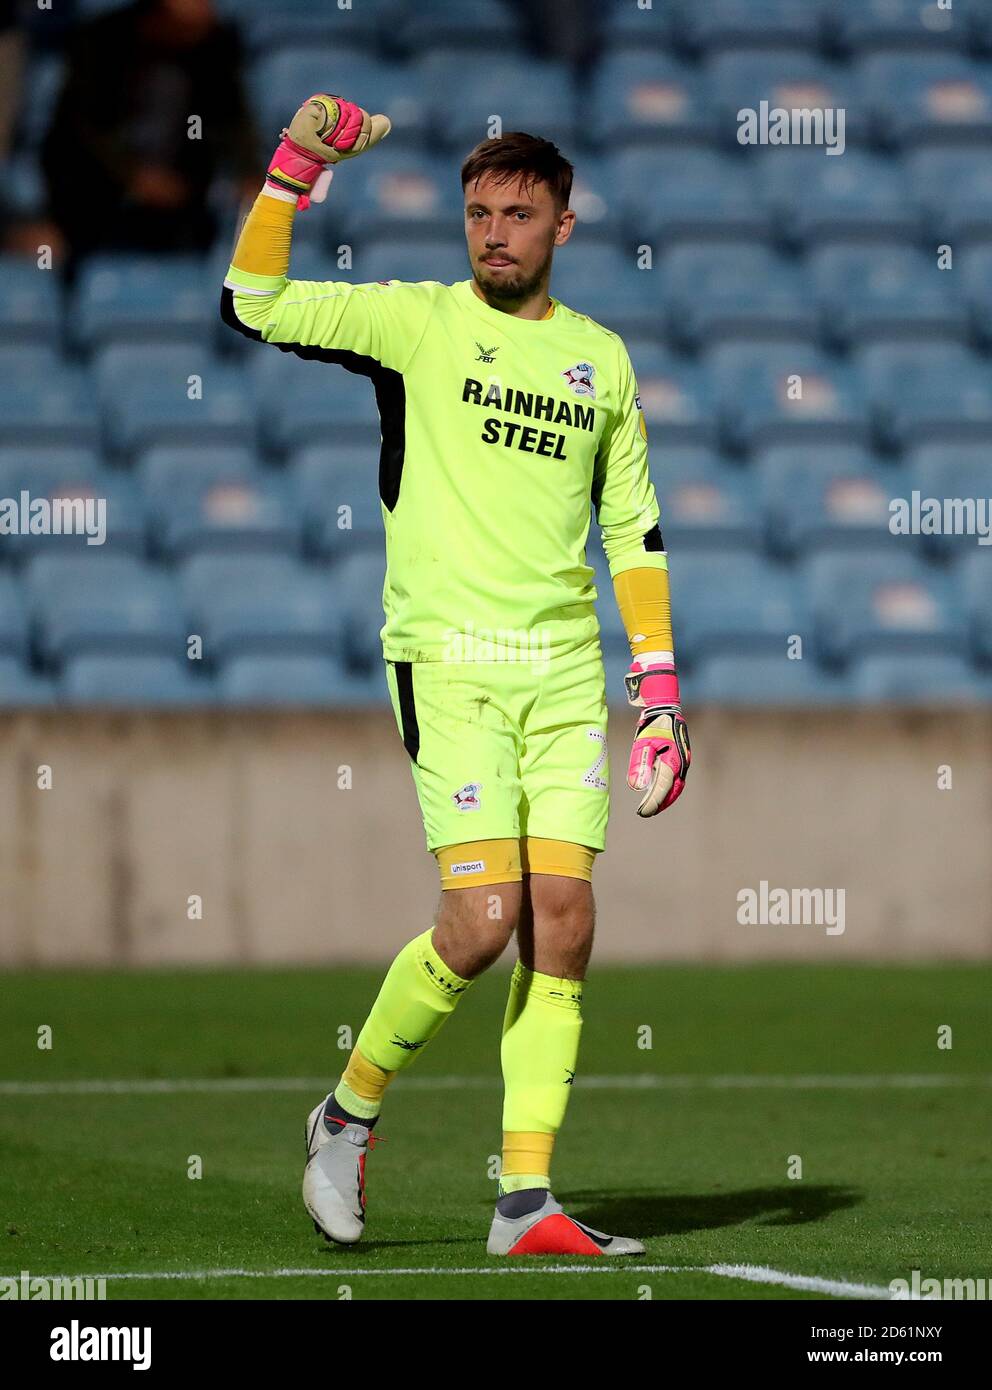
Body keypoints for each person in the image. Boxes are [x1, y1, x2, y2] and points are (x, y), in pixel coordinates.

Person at [221, 95, 691, 1257]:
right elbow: (254, 300)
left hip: (563, 675)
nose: (492, 233)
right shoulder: (416, 326)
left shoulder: (600, 360)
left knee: (563, 923)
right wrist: (291, 175)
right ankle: (345, 1111)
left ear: (562, 229)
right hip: (450, 662)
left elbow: (632, 532)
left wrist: (660, 693)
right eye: (477, 212)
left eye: (517, 215)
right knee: (480, 924)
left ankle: (524, 1200)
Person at [40, 0, 258, 269]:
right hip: (93, 194)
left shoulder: (214, 42)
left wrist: (248, 171)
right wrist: (135, 176)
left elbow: (231, 117)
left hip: (183, 199)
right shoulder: (101, 40)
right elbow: (83, 127)